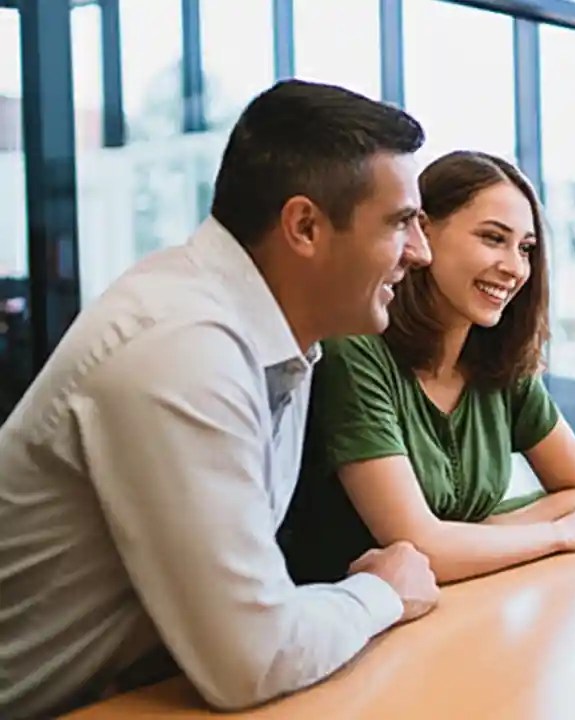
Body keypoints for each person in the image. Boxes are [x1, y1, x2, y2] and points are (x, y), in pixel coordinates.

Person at [0, 79, 440, 720]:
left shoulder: (274, 339)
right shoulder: (182, 343)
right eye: (401, 222)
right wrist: (379, 593)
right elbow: (250, 657)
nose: (420, 253)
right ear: (305, 226)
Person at [279, 150, 575, 587]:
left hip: (461, 608)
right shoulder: (355, 353)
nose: (514, 267)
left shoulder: (499, 357)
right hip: (355, 630)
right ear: (422, 233)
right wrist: (557, 535)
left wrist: (466, 541)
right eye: (493, 238)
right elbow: (423, 550)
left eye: (525, 248)